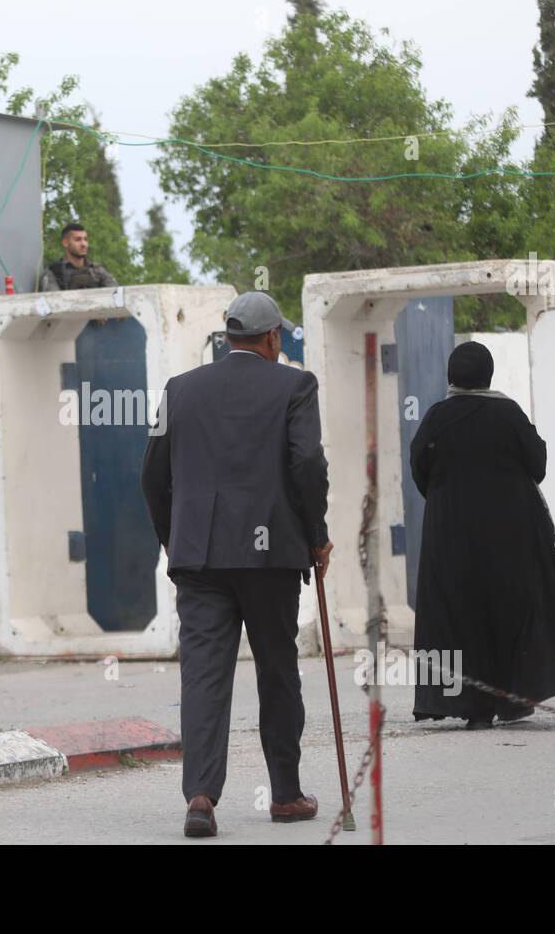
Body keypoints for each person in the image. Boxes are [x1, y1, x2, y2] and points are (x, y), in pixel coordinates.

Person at [140, 290, 332, 838]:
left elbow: (152, 477)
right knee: (277, 669)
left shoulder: (180, 391)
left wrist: (174, 539)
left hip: (198, 557)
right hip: (271, 557)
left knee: (203, 675)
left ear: (227, 339)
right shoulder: (296, 385)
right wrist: (316, 537)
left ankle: (201, 796)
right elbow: (307, 466)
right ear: (273, 339)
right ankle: (286, 795)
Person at [409, 341, 555, 730]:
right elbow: (537, 463)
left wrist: (448, 499)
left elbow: (420, 467)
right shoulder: (507, 412)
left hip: (450, 532)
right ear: (488, 374)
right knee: (512, 608)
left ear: (451, 376)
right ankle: (513, 699)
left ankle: (473, 706)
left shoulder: (436, 417)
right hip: (510, 531)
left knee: (460, 611)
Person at [38, 222, 118, 291]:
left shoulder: (97, 270)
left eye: (85, 239)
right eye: (78, 239)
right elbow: (53, 302)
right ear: (65, 243)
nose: (84, 244)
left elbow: (115, 294)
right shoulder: (53, 273)